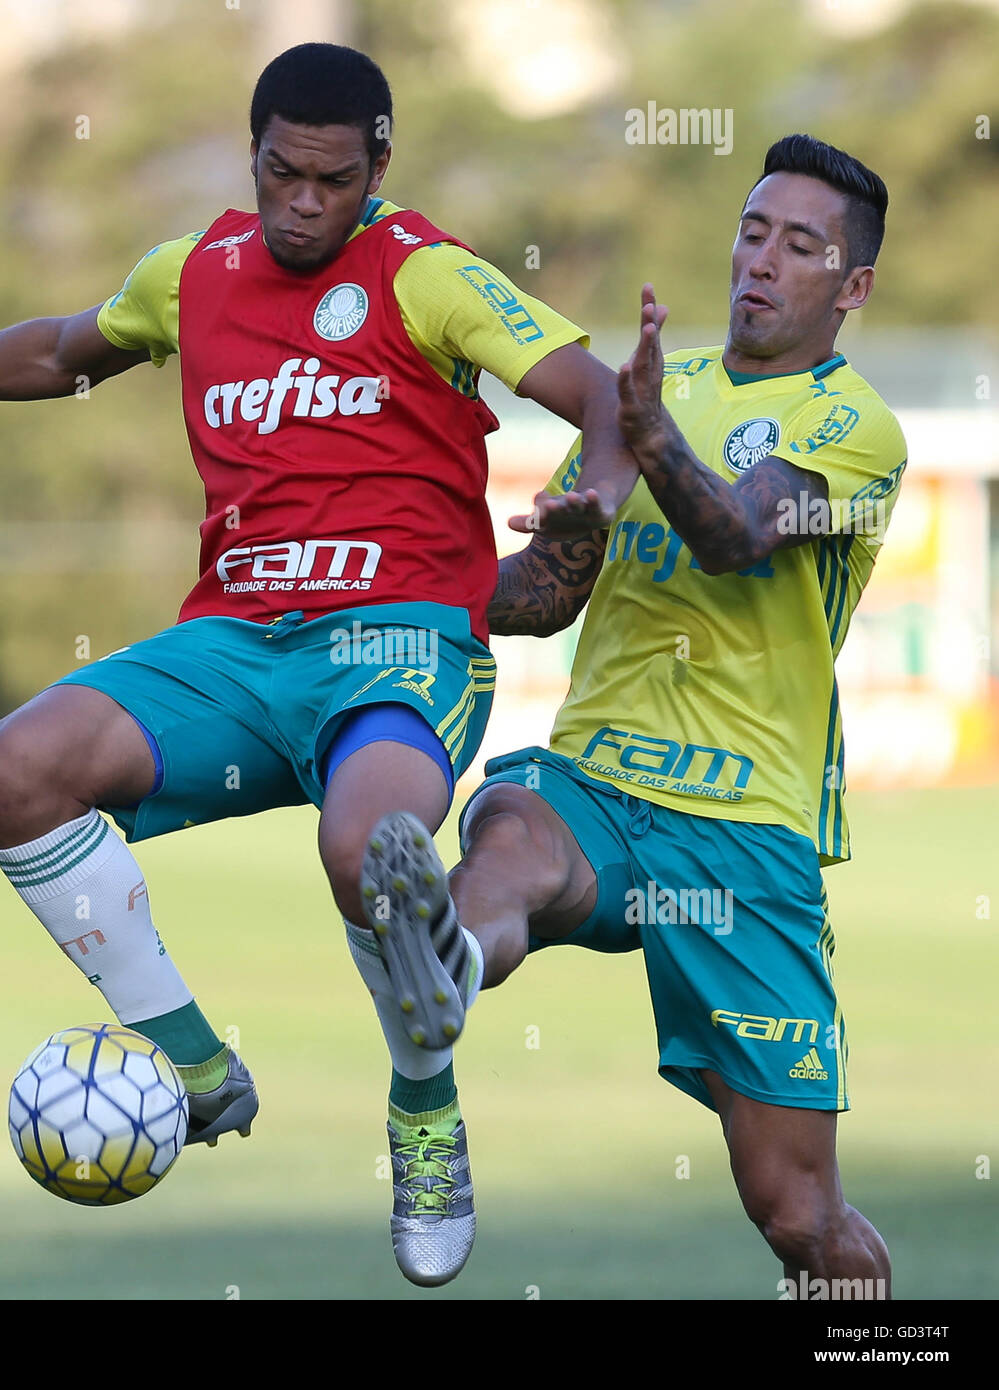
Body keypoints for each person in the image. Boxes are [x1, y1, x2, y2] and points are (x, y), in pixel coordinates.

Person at [0, 42, 636, 1288]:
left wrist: (590, 509)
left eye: (331, 182)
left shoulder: (432, 276)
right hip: (237, 641)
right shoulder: (191, 274)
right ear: (252, 156)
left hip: (397, 640)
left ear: (378, 168)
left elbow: (607, 402)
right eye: (279, 173)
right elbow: (58, 352)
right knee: (14, 770)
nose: (302, 203)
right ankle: (192, 1063)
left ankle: (423, 1116)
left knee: (368, 852)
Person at [361, 134, 904, 1298]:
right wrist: (483, 561)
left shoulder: (855, 426)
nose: (760, 260)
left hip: (745, 832)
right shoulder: (652, 394)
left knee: (800, 1219)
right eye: (751, 231)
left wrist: (649, 440)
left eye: (798, 245)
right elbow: (540, 601)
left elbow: (743, 534)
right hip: (599, 779)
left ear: (849, 286)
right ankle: (440, 965)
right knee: (505, 823)